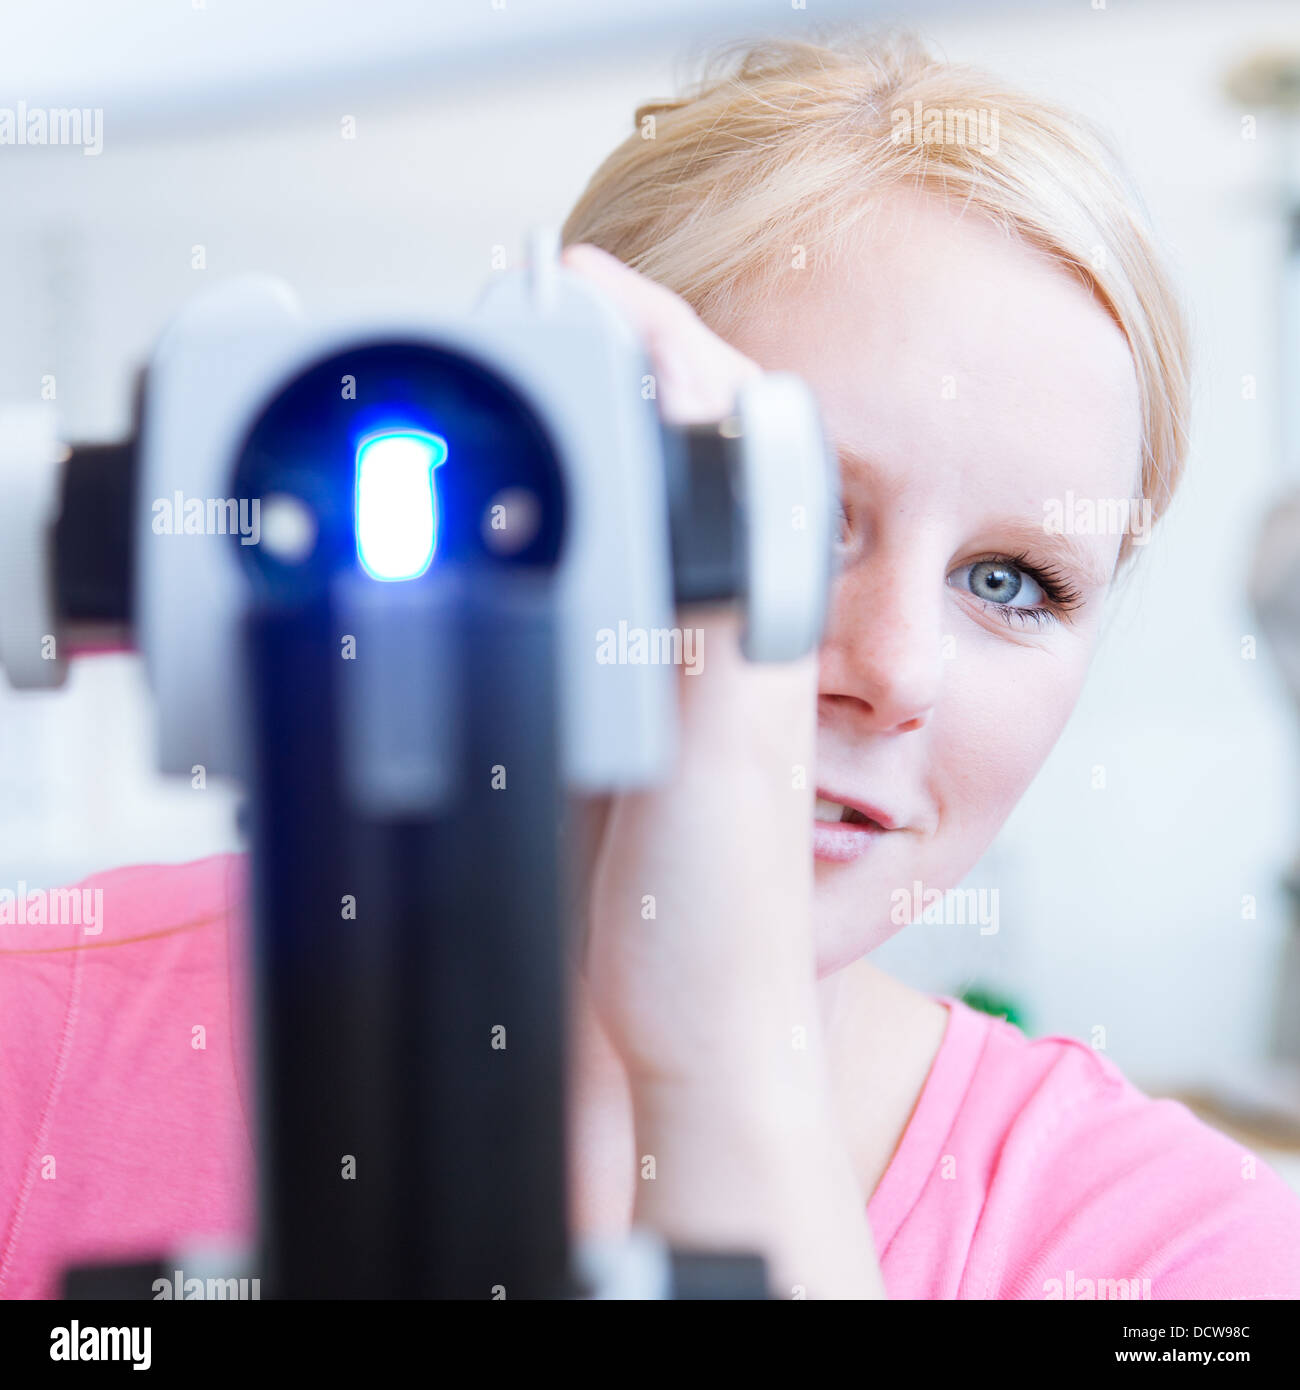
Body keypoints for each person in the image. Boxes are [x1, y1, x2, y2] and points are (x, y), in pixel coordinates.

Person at [3, 29, 1298, 1301]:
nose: (896, 669)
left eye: (1011, 583)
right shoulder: (32, 1044)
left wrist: (726, 1056)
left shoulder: (1183, 1256)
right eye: (797, 516)